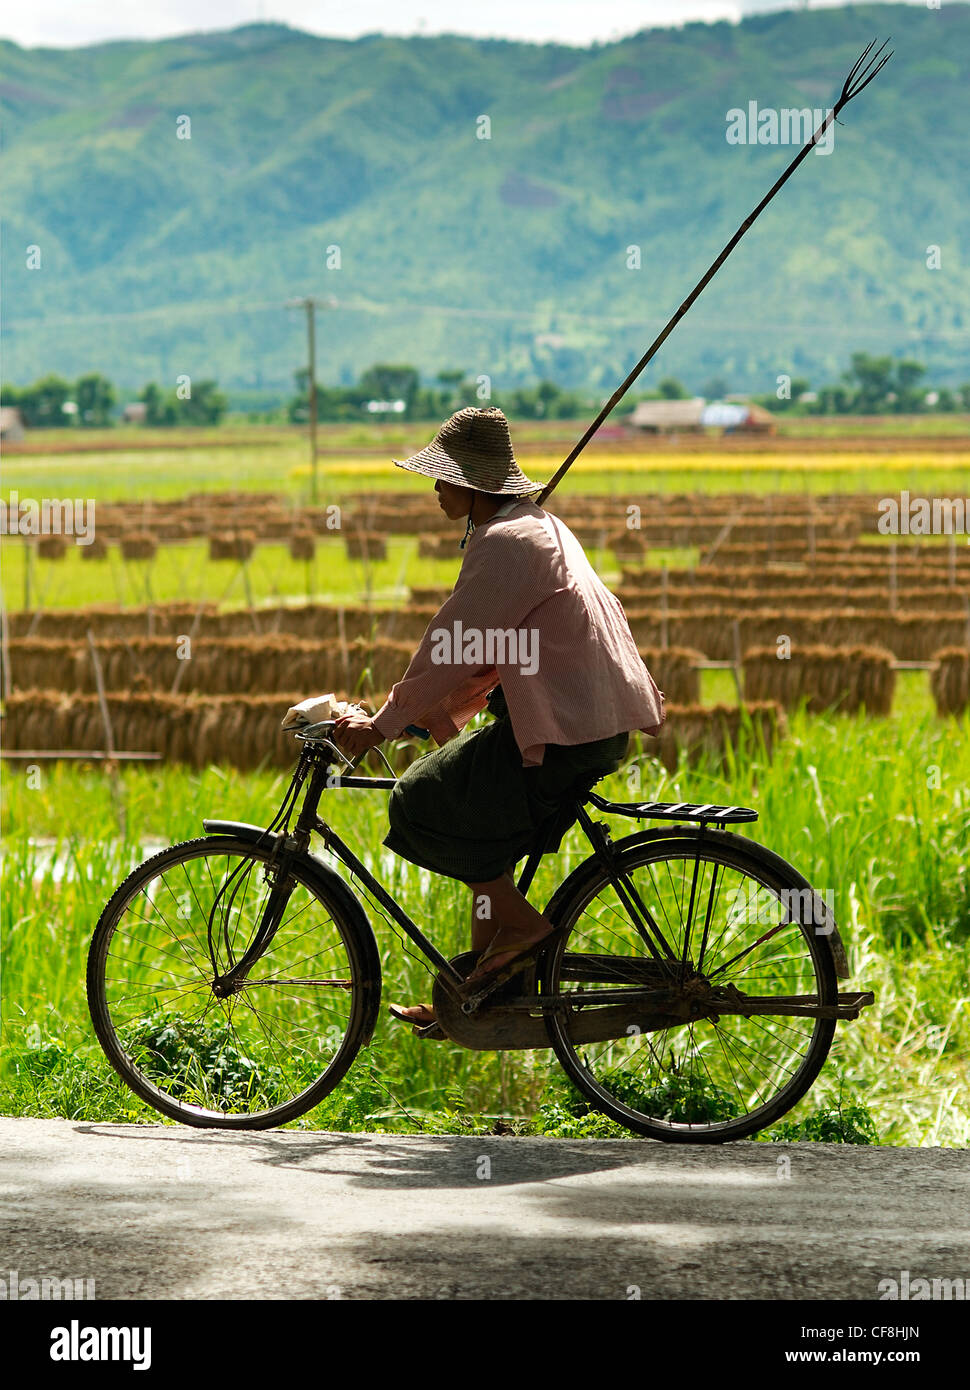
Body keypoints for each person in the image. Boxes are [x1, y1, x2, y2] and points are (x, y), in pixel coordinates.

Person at [333, 405, 665, 1035]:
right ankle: (479, 989)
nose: (434, 487)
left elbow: (453, 641)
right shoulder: (535, 527)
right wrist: (420, 716)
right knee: (484, 834)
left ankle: (521, 930)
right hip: (582, 723)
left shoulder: (508, 540)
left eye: (441, 475)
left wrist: (380, 725)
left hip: (564, 730)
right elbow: (492, 651)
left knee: (420, 798)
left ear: (470, 482)